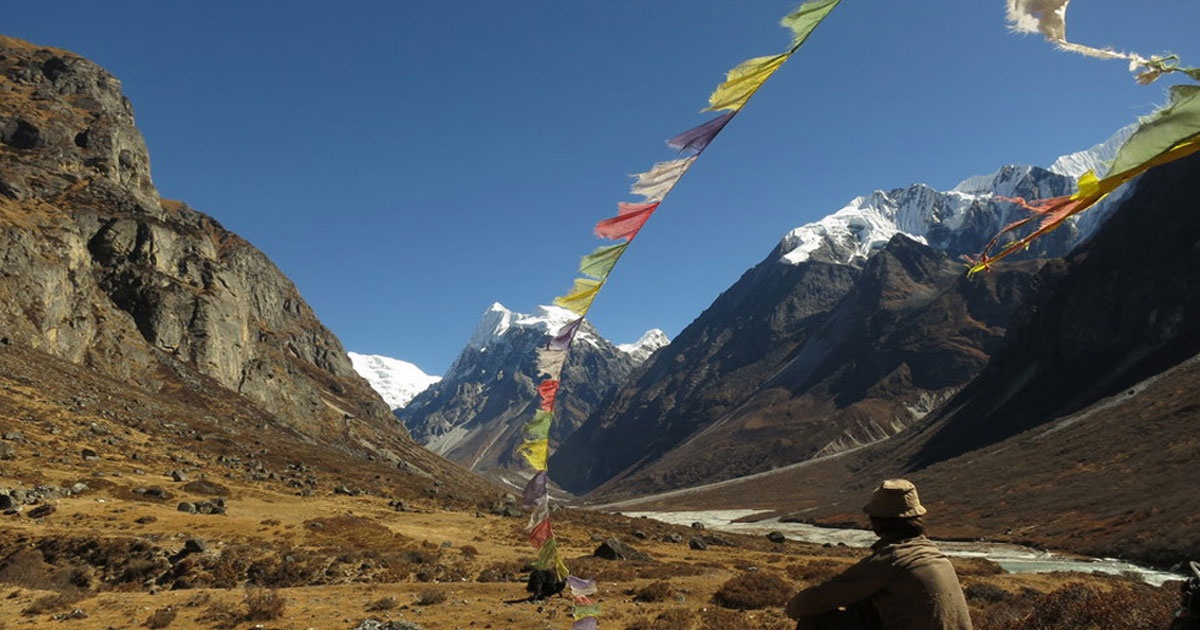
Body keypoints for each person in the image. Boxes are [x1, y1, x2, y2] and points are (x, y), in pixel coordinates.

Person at [785, 479, 973, 630]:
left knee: (817, 619)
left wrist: (792, 607)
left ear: (876, 521)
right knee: (863, 605)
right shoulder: (933, 554)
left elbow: (818, 599)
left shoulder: (890, 560)